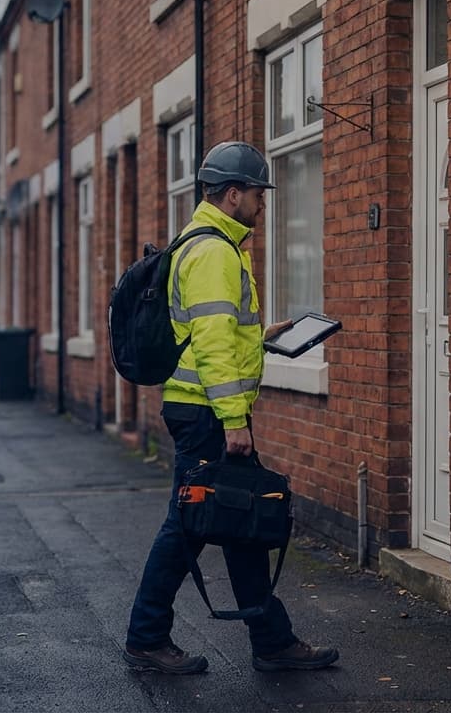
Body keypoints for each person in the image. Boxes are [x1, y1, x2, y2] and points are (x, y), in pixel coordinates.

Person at [122, 141, 340, 674]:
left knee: (242, 517)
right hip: (207, 414)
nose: (263, 205)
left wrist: (263, 337)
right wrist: (233, 419)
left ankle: (271, 639)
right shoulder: (215, 250)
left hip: (203, 408)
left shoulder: (207, 244)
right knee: (189, 525)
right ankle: (147, 637)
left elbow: (214, 333)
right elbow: (214, 342)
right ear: (234, 194)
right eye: (258, 195)